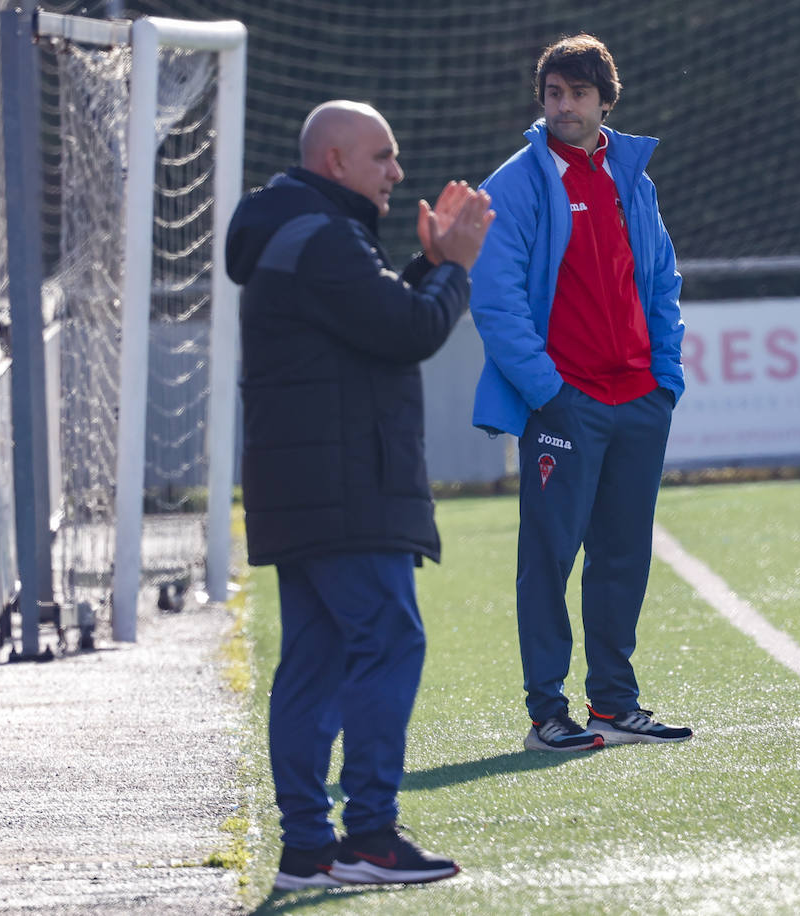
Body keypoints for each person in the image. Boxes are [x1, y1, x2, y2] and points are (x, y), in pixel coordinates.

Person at [224, 100, 493, 889]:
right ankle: (369, 835)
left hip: (307, 487)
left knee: (316, 659)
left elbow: (375, 321)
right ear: (335, 162)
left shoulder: (300, 230)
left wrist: (427, 268)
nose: (397, 174)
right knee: (387, 641)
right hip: (342, 490)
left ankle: (309, 851)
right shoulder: (321, 235)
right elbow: (410, 333)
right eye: (382, 157)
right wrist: (455, 266)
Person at [468, 34, 691, 752]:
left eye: (579, 94)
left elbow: (661, 281)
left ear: (605, 99)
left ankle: (613, 706)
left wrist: (666, 376)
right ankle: (546, 715)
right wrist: (549, 392)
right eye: (554, 94)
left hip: (639, 399)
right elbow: (495, 301)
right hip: (567, 404)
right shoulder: (516, 183)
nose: (564, 106)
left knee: (623, 555)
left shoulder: (634, 177)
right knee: (550, 557)